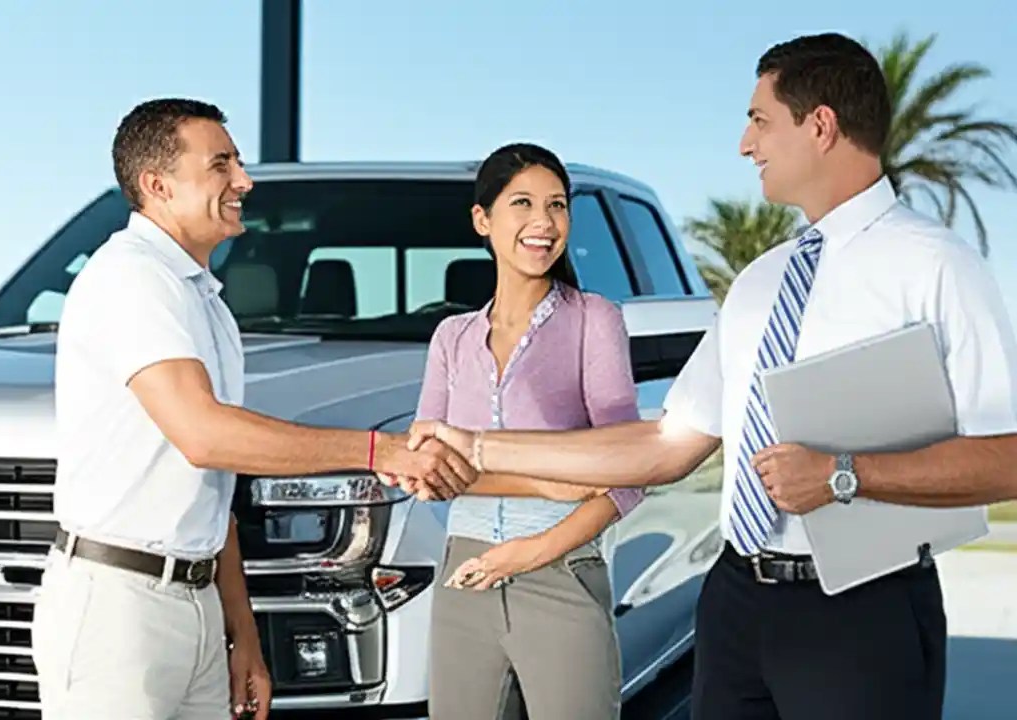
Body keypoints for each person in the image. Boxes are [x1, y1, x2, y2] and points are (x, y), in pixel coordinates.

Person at [406, 33, 1017, 720]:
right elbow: (665, 446)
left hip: (862, 610)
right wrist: (477, 445)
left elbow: (1007, 459)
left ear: (820, 126)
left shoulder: (936, 265)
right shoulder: (761, 281)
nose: (745, 145)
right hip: (735, 603)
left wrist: (846, 474)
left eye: (760, 121)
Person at [31, 98, 475, 720]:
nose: (244, 181)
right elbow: (205, 436)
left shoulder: (203, 300)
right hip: (120, 615)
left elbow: (213, 493)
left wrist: (241, 633)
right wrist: (381, 451)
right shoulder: (131, 277)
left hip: (193, 603)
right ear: (158, 185)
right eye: (221, 165)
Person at [415, 143, 645, 720]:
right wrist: (551, 481)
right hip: (464, 575)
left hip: (560, 570)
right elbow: (424, 468)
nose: (543, 221)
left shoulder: (595, 320)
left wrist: (530, 551)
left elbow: (630, 472)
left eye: (557, 205)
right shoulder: (452, 338)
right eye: (522, 203)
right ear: (482, 220)